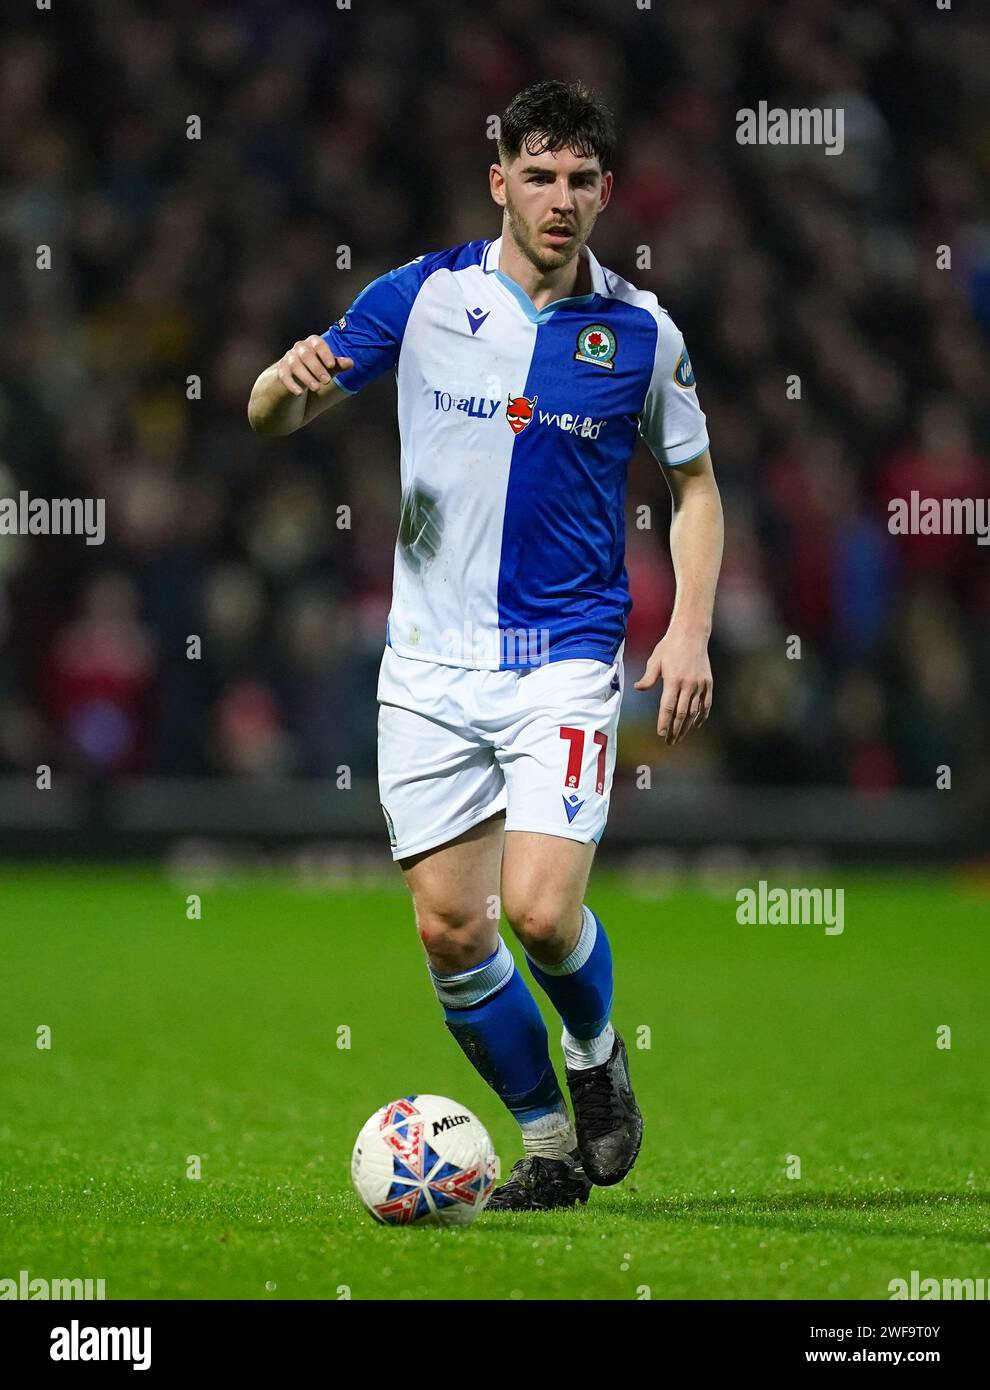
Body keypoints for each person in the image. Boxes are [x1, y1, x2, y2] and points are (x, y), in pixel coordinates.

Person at [248, 79, 723, 1211]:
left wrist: (691, 628)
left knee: (543, 910)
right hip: (425, 666)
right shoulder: (421, 296)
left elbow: (695, 485)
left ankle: (597, 1050)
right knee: (452, 927)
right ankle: (550, 1142)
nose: (559, 200)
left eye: (580, 181)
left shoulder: (641, 332)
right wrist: (279, 384)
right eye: (539, 176)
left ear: (606, 193)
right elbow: (276, 412)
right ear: (499, 179)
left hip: (563, 655)